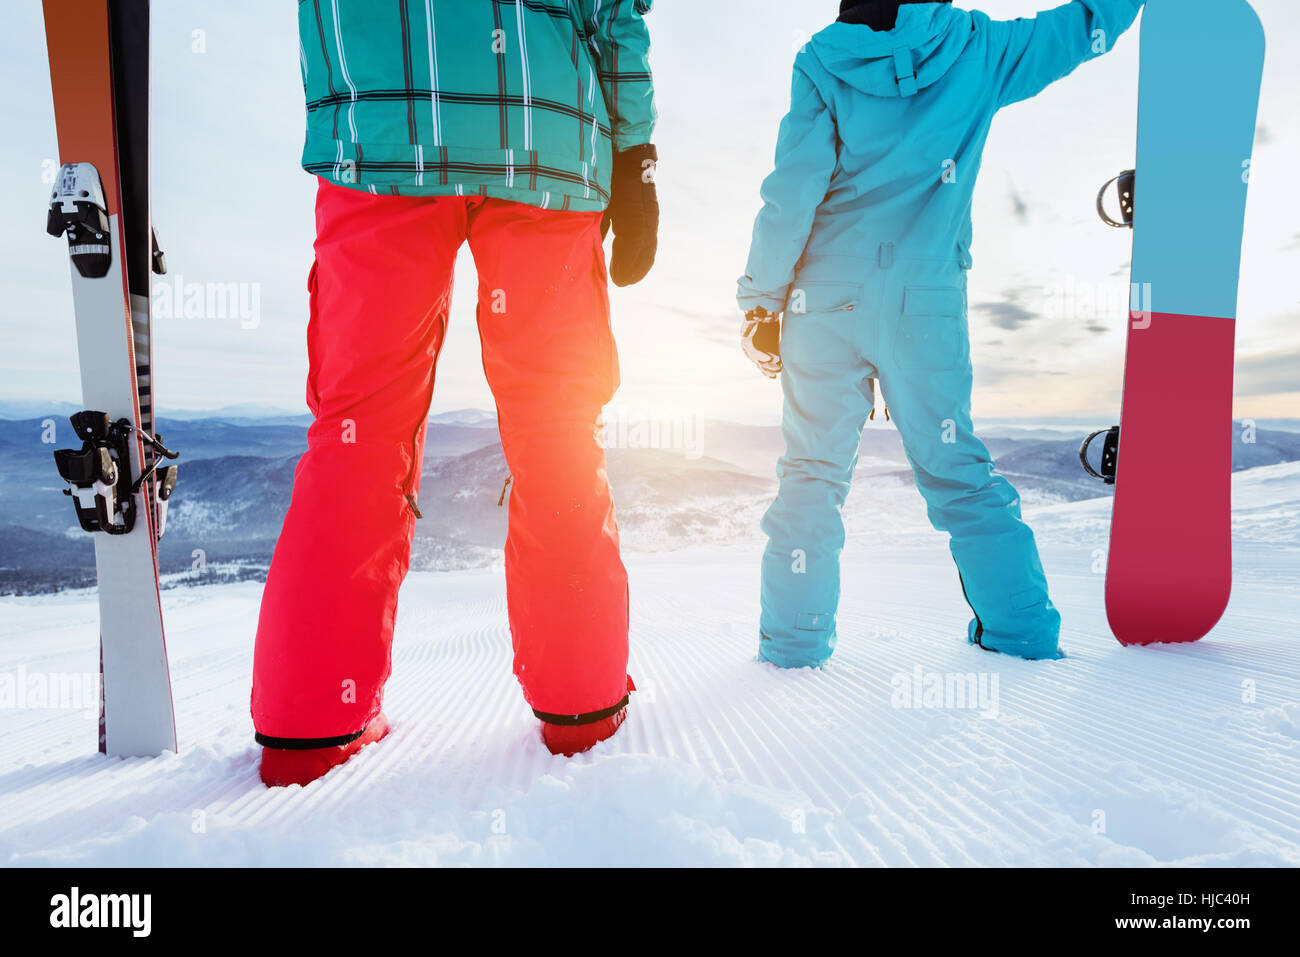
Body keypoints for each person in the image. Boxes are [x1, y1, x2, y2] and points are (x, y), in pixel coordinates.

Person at [253, 0, 658, 787]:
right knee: (557, 424)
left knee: (356, 426)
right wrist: (635, 153)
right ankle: (583, 706)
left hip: (381, 125)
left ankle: (310, 722)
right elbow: (617, 14)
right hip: (545, 132)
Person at [738, 0, 1143, 668]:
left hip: (823, 298)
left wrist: (759, 303)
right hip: (924, 303)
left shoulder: (820, 61)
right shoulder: (975, 48)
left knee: (810, 476)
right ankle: (1020, 632)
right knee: (957, 471)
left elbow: (792, 193)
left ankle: (792, 647)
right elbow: (1077, 34)